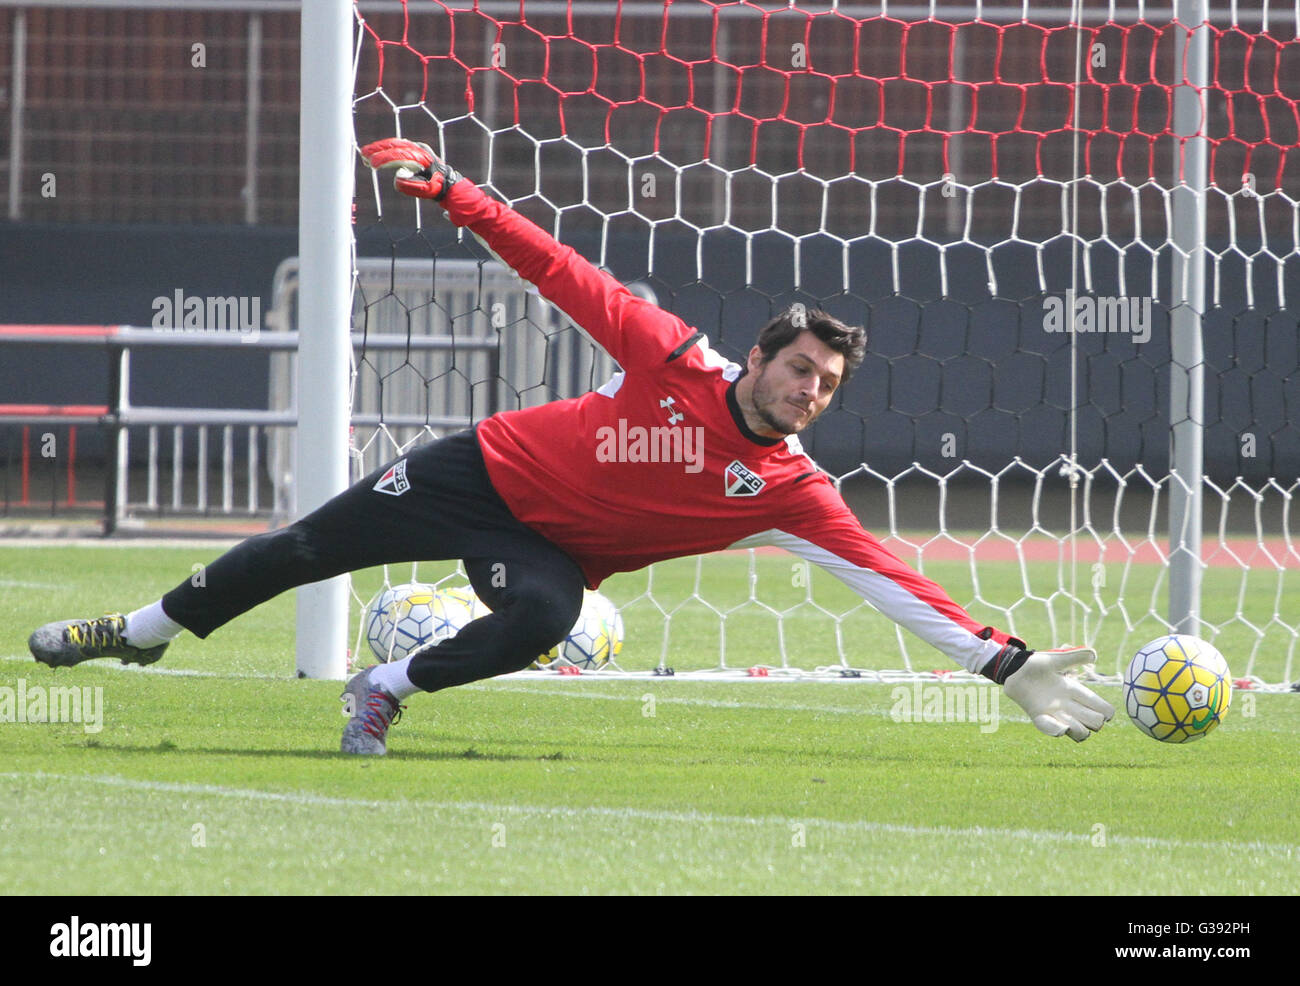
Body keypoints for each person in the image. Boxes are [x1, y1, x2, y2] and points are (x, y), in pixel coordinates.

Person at [28, 137, 1115, 754]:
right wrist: (461, 196)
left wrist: (1002, 662)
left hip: (539, 547)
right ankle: (139, 628)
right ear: (758, 357)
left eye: (827, 386)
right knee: (302, 549)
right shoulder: (672, 358)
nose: (809, 391)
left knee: (546, 614)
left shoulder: (788, 489)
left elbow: (888, 578)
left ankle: (388, 682)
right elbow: (564, 272)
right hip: (478, 470)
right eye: (799, 369)